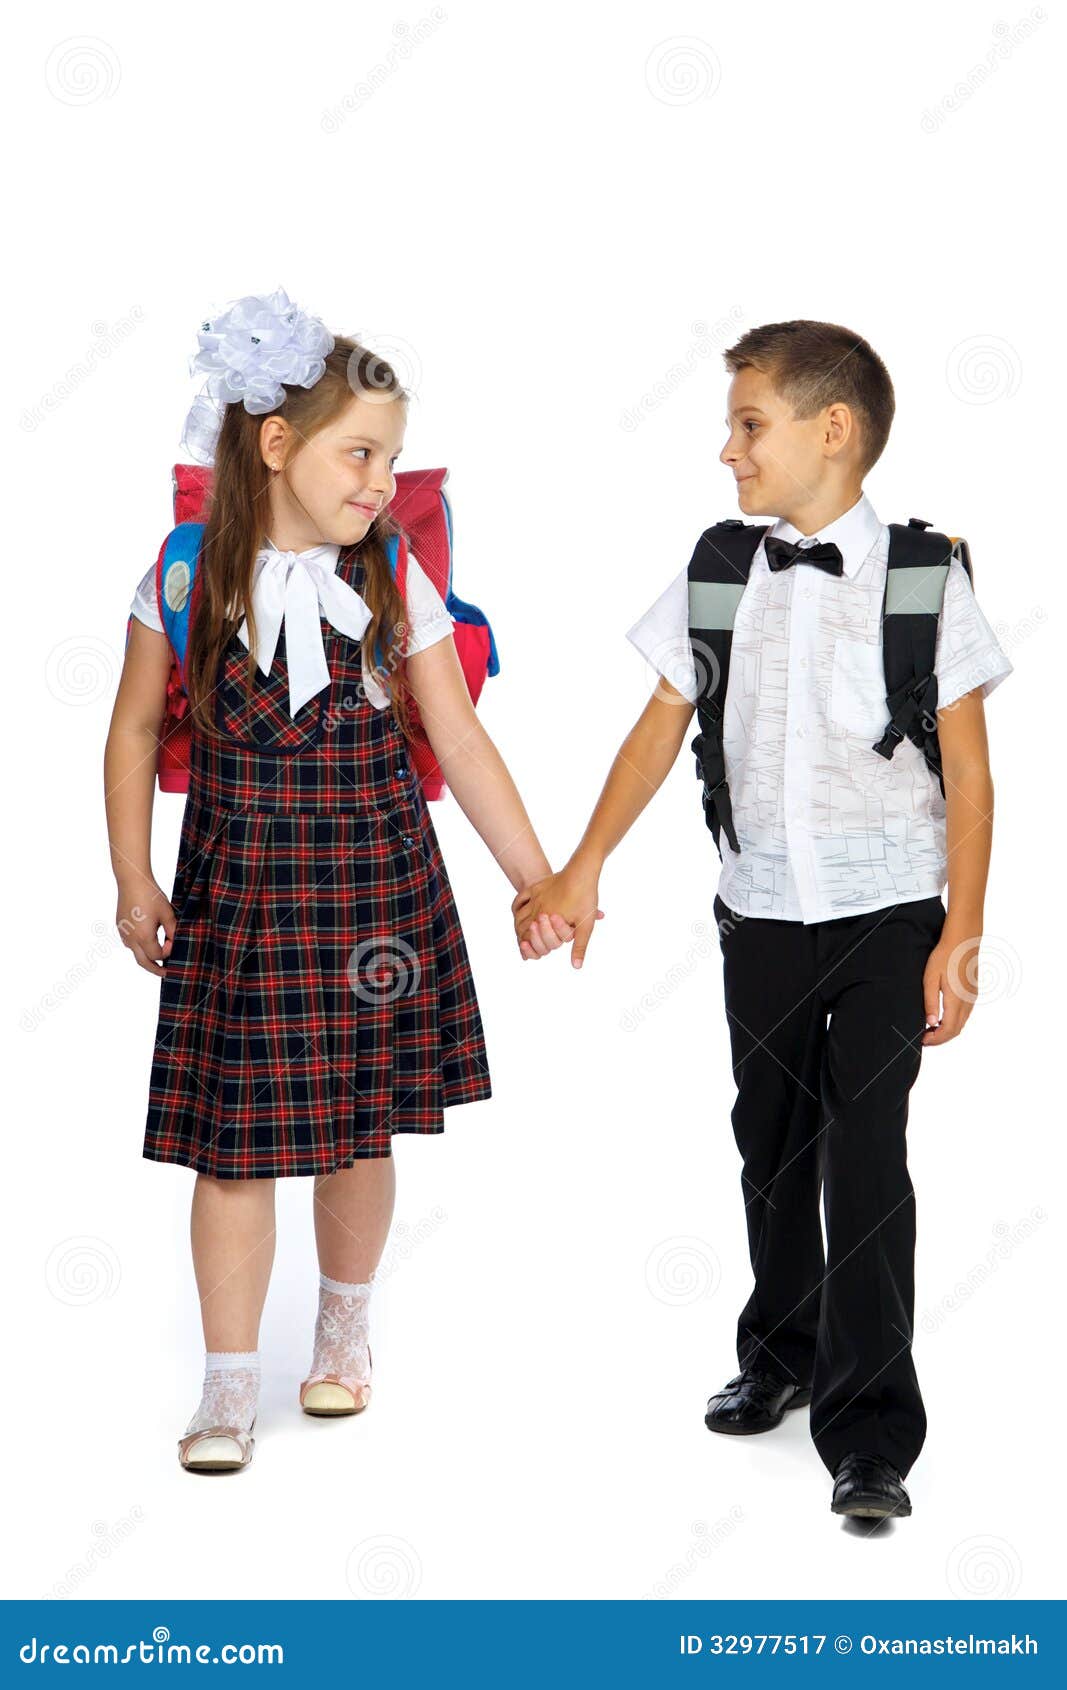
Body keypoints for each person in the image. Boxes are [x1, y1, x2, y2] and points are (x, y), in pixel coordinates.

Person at [512, 319, 1013, 1520]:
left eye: (749, 424)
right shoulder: (718, 567)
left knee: (866, 1156)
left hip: (890, 912)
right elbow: (656, 726)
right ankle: (780, 1353)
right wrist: (581, 866)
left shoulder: (920, 574)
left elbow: (971, 777)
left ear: (829, 432)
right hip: (761, 910)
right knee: (773, 1143)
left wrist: (962, 935)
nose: (727, 451)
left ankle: (870, 1430)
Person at [105, 289, 574, 1473]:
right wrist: (133, 878)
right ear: (275, 444)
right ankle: (225, 1386)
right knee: (232, 1145)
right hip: (240, 898)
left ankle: (344, 1331)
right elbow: (125, 733)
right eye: (359, 452)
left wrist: (536, 876)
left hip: (371, 892)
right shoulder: (182, 572)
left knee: (359, 1129)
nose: (379, 478)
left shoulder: (393, 571)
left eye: (392, 458)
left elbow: (455, 738)